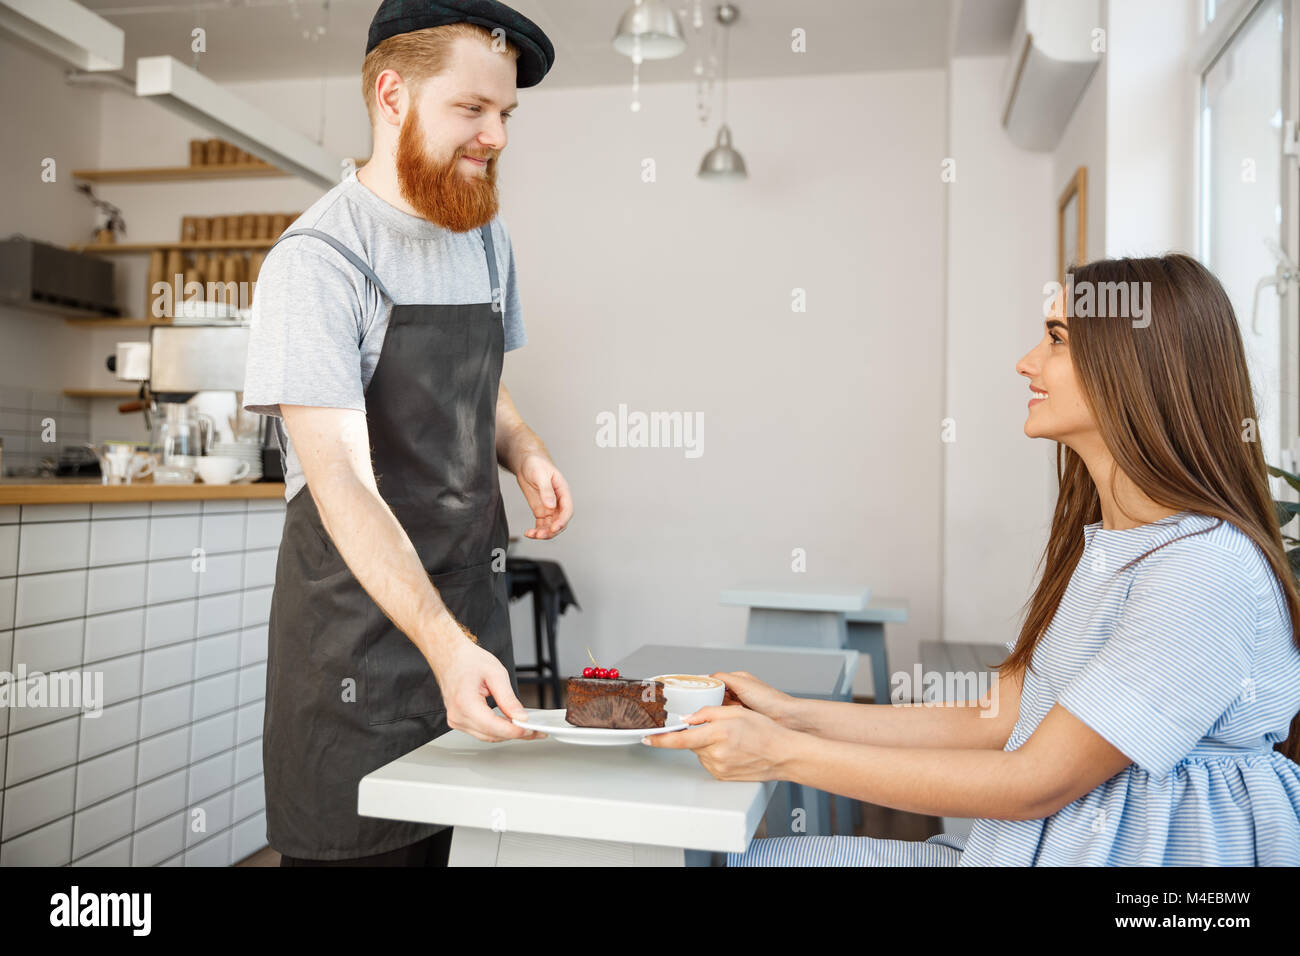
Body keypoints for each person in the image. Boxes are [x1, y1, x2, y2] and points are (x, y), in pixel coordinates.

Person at [648, 253, 1300, 866]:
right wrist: (790, 714)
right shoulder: (1113, 547)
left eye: (1056, 339)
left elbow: (1034, 783)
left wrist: (780, 755)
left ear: (1136, 367)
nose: (1025, 362)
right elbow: (997, 721)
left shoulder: (1203, 575)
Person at [242, 0, 569, 866]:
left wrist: (524, 445)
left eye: (505, 114)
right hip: (356, 663)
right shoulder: (318, 264)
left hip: (469, 635)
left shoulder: (485, 239)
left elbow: (487, 388)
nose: (495, 135)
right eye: (473, 109)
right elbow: (341, 479)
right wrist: (442, 649)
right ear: (392, 95)